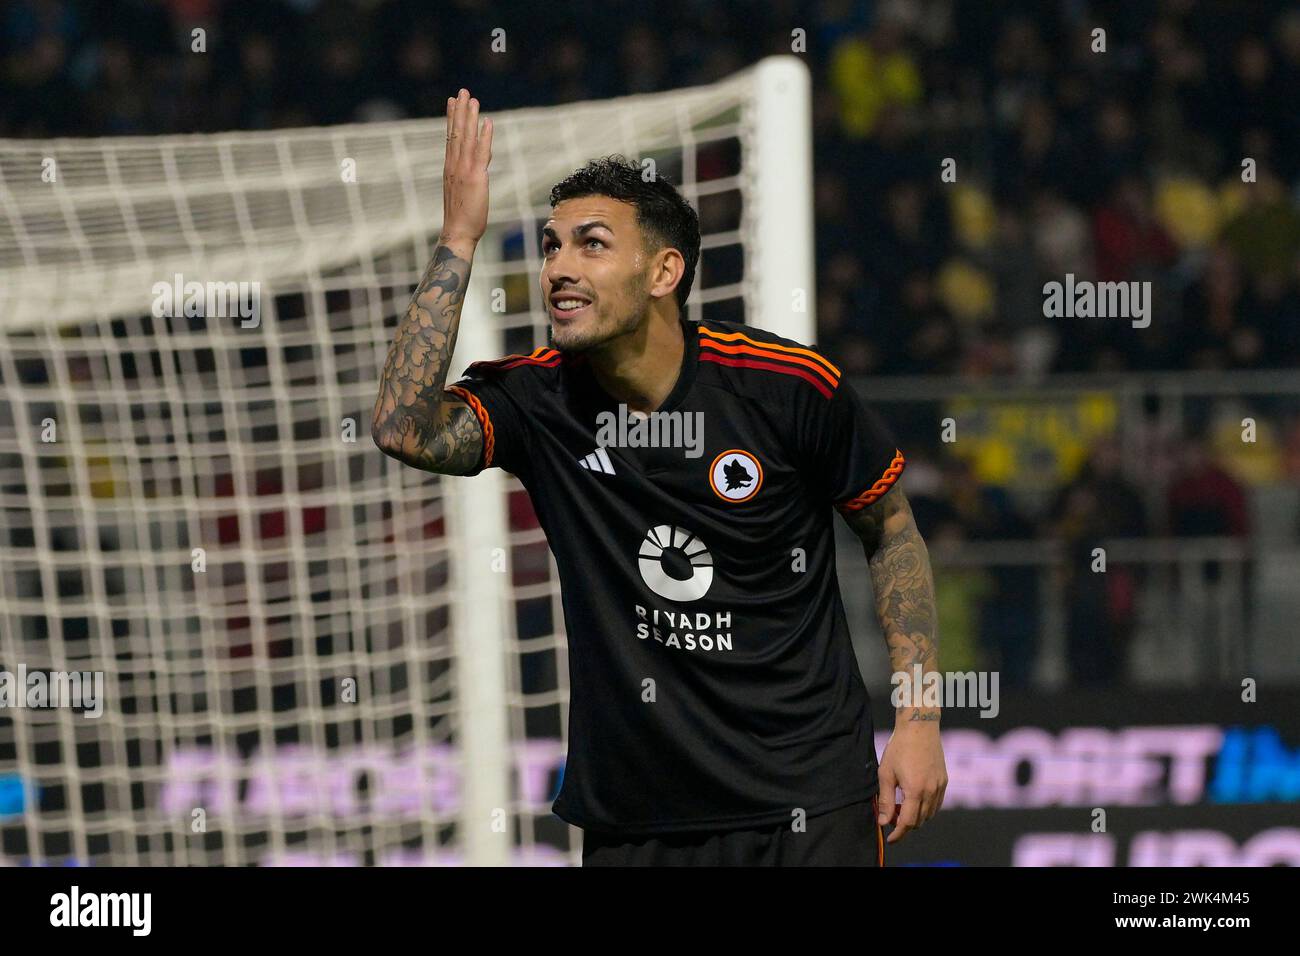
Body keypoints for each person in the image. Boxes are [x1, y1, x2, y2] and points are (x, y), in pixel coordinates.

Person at [372, 89, 947, 866]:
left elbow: (893, 534)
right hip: (637, 821)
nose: (559, 269)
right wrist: (458, 239)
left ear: (663, 271)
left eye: (591, 245)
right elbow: (402, 426)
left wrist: (918, 720)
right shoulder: (539, 401)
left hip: (808, 805)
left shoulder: (785, 386)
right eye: (549, 246)